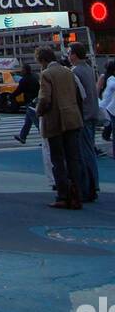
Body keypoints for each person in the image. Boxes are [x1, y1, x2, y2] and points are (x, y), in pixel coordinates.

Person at [36, 45, 83, 210]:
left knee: (57, 159)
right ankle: (77, 194)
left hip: (55, 120)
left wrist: (38, 112)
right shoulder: (69, 72)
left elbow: (45, 99)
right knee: (73, 158)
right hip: (72, 118)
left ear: (42, 60)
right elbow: (78, 95)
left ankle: (63, 196)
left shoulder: (46, 74)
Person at [69, 43, 100, 203]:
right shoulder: (88, 68)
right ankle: (93, 184)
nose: (68, 56)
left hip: (84, 115)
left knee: (84, 152)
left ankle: (89, 186)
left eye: (69, 53)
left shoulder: (76, 71)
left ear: (75, 55)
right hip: (93, 112)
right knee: (90, 151)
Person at [13, 62, 40, 144]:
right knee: (28, 121)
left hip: (29, 101)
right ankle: (22, 136)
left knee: (36, 122)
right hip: (35, 100)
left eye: (22, 69)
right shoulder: (34, 77)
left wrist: (11, 96)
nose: (21, 71)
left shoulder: (24, 80)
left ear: (25, 70)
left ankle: (45, 138)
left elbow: (19, 90)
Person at [99, 59, 115, 158]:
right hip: (107, 105)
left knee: (109, 124)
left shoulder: (106, 77)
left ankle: (106, 134)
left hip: (107, 103)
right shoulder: (109, 78)